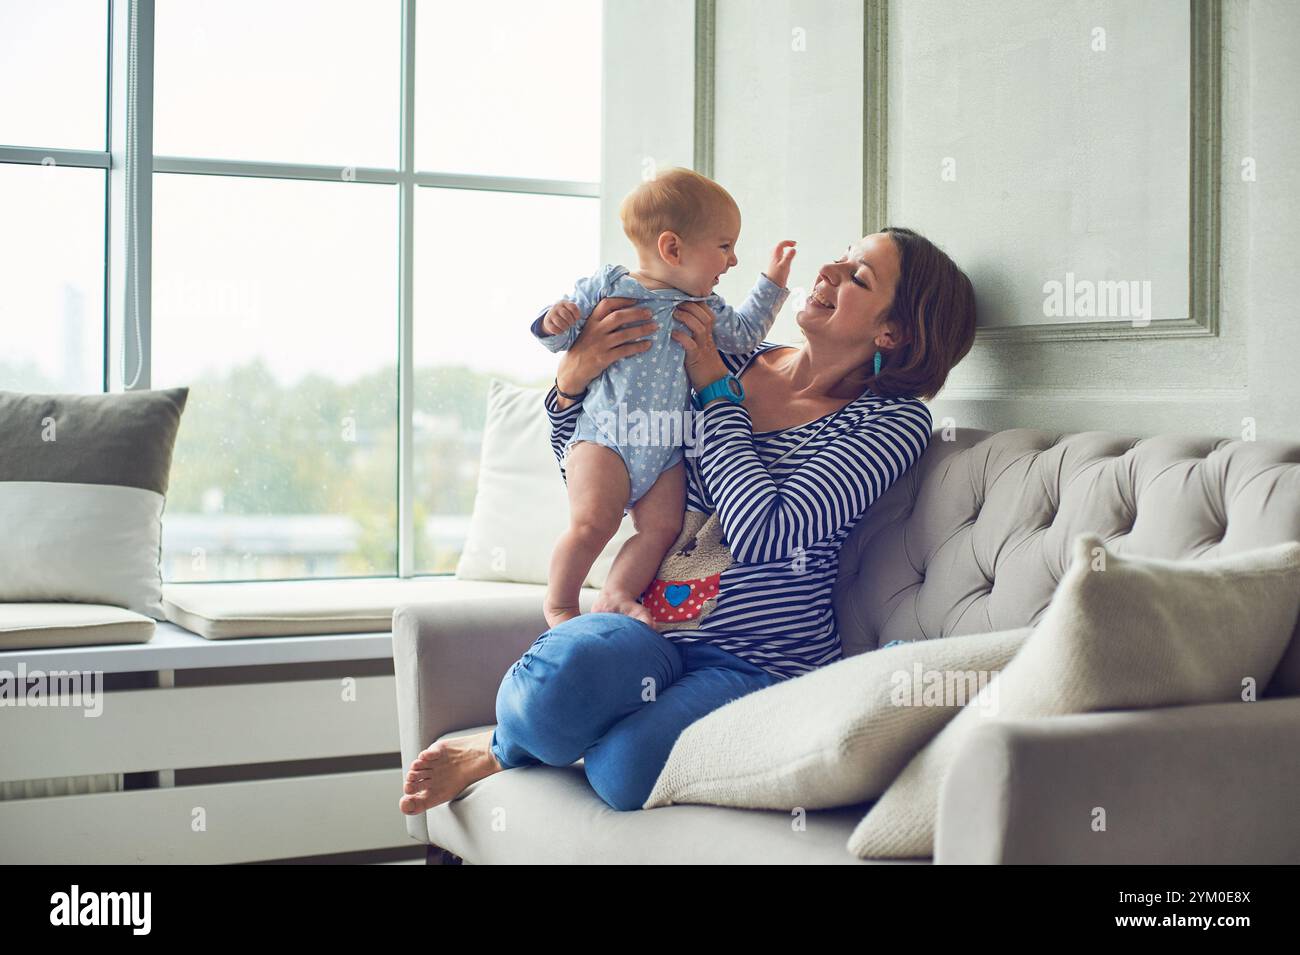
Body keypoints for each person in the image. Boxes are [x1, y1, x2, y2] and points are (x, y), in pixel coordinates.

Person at [401, 227, 977, 814]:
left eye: (859, 276)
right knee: (552, 689)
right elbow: (605, 471)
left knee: (625, 770)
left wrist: (714, 391)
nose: (828, 269)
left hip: (757, 660)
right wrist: (570, 388)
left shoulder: (888, 422)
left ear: (892, 331)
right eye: (844, 256)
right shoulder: (728, 352)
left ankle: (559, 738)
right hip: (648, 626)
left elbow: (763, 534)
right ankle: (504, 746)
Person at [531, 167, 797, 629]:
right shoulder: (609, 286)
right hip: (604, 439)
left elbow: (746, 334)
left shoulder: (702, 307)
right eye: (724, 246)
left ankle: (616, 594)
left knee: (660, 530)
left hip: (666, 448)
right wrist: (553, 321)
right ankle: (559, 605)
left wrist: (772, 282)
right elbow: (561, 337)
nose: (732, 261)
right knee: (593, 524)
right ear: (673, 248)